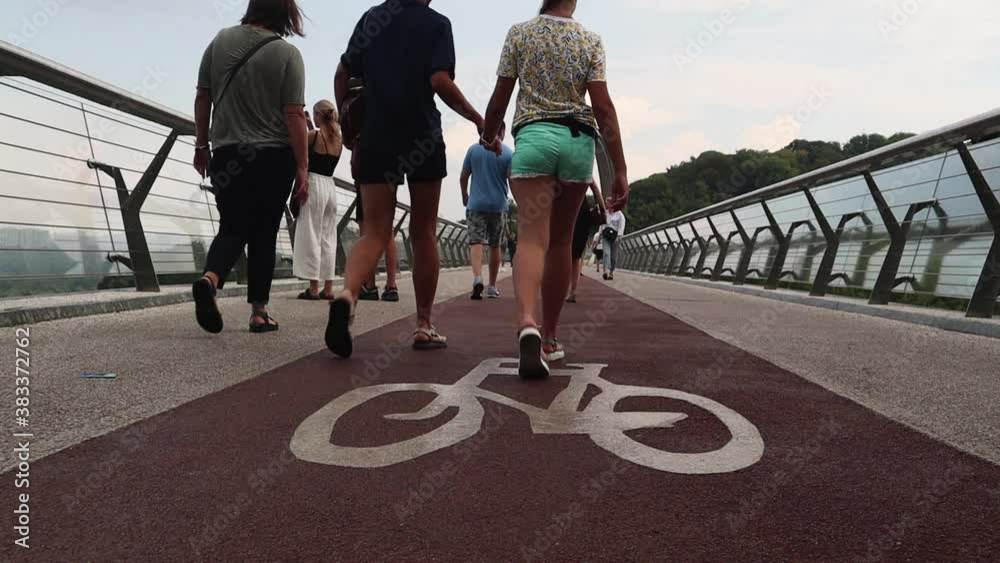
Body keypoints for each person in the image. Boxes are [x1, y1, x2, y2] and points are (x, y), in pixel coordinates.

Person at [327, 0, 485, 358]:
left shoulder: (372, 17)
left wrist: (350, 127)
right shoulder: (437, 24)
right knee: (423, 230)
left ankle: (348, 294)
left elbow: (342, 74)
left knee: (375, 231)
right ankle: (424, 325)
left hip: (375, 135)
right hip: (422, 135)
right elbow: (439, 81)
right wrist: (476, 117)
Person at [481, 0, 630, 378]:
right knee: (562, 243)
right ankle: (549, 338)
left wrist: (489, 132)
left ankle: (527, 323)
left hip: (534, 139)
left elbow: (501, 95)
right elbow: (604, 108)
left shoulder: (520, 33)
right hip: (577, 143)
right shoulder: (590, 40)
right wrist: (620, 171)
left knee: (533, 239)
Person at [192, 0, 308, 334]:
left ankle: (210, 279)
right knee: (264, 232)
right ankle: (259, 312)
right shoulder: (288, 54)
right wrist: (302, 166)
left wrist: (202, 144)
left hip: (227, 152)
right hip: (274, 158)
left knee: (232, 225)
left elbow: (203, 96)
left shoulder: (220, 40)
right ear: (286, 13)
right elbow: (294, 114)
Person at [293, 100, 342, 300]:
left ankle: (313, 288)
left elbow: (302, 151)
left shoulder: (313, 136)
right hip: (330, 187)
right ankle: (328, 288)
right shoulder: (337, 139)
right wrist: (309, 127)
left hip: (313, 185)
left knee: (311, 234)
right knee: (328, 237)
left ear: (318, 115)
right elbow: (320, 147)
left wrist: (305, 128)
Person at [461, 122, 513, 300]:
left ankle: (477, 277)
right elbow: (512, 180)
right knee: (494, 245)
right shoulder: (507, 153)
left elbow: (463, 177)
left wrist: (465, 196)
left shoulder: (473, 150)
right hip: (498, 206)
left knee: (476, 242)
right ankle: (492, 286)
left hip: (475, 204)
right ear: (503, 131)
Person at [353, 187, 400, 303]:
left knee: (366, 225)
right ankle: (391, 286)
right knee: (387, 227)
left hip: (368, 177)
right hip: (391, 177)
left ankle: (369, 286)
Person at [566, 181, 605, 303]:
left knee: (562, 250)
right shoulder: (583, 166)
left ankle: (562, 289)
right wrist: (603, 210)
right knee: (576, 255)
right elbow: (595, 189)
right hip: (582, 212)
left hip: (564, 210)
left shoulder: (560, 165)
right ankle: (572, 291)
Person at [601, 196, 627, 281]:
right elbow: (602, 225)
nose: (607, 205)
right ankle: (606, 271)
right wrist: (600, 235)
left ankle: (611, 272)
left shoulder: (619, 214)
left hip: (615, 236)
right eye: (606, 203)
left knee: (613, 257)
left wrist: (619, 236)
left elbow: (621, 226)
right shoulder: (605, 213)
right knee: (606, 253)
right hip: (606, 236)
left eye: (608, 203)